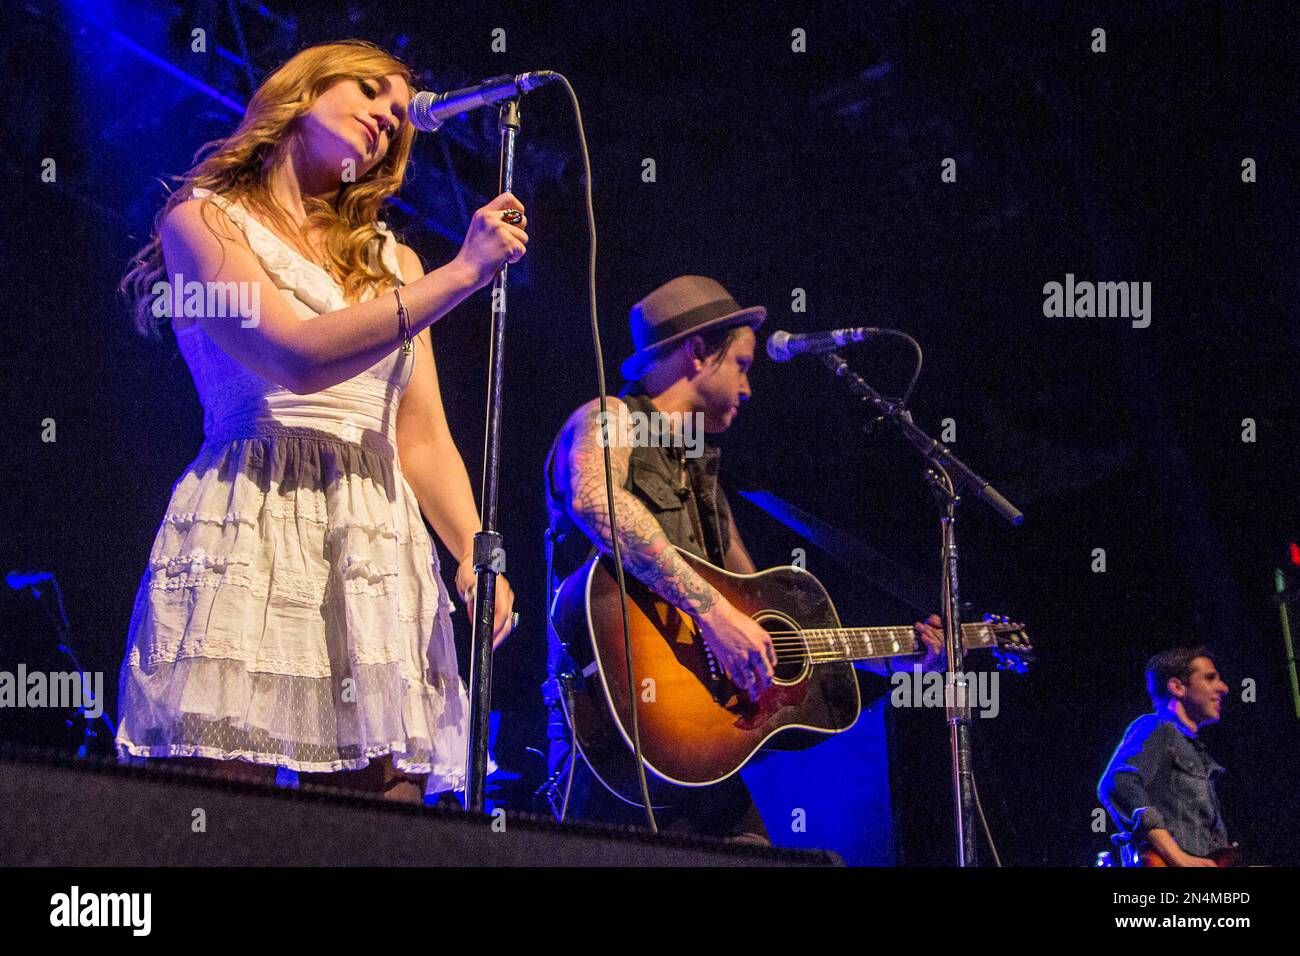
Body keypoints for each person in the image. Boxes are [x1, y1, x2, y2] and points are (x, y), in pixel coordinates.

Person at [116, 40, 524, 804]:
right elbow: (295, 357)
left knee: (384, 811)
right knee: (222, 799)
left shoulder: (393, 262)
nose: (388, 117)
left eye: (401, 114)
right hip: (254, 518)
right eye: (370, 91)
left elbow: (422, 435)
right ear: (300, 93)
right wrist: (465, 272)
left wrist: (473, 550)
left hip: (373, 538)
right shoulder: (204, 222)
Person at [539, 275, 944, 839]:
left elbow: (769, 627)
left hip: (700, 748)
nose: (749, 387)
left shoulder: (706, 478)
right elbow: (593, 498)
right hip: (615, 735)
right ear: (698, 352)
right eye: (742, 364)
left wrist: (891, 658)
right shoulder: (609, 416)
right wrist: (715, 613)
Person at [1098, 646, 1234, 866]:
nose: (1223, 688)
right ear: (1177, 686)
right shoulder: (1158, 727)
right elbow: (1118, 782)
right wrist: (1176, 856)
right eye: (1210, 678)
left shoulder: (1196, 750)